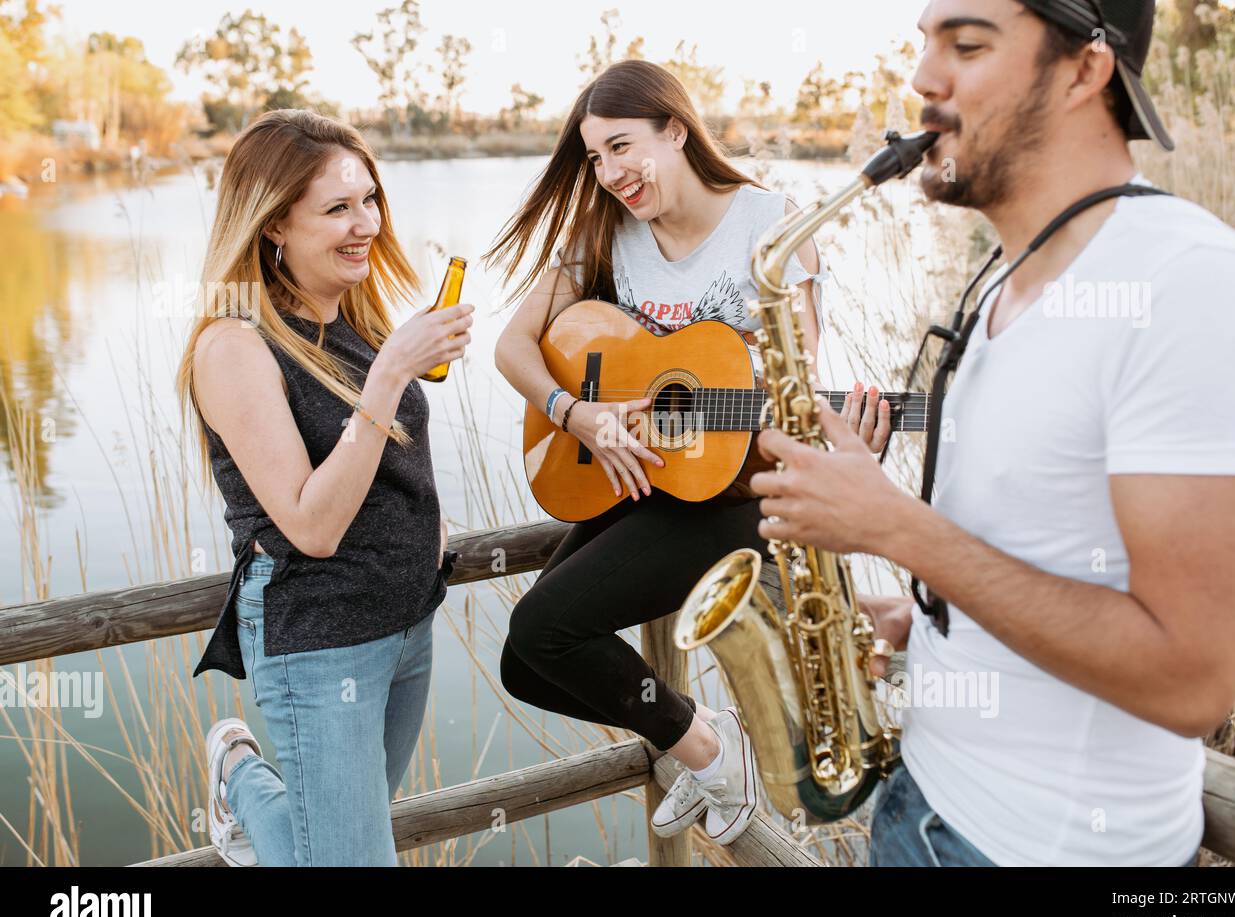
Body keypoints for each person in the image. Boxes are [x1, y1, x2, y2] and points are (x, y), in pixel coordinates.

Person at [752, 0, 1235, 866]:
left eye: (967, 45)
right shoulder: (1007, 279)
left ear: (1087, 69)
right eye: (924, 44)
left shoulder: (1193, 288)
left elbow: (1190, 678)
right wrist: (927, 620)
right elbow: (1041, 550)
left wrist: (893, 525)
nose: (923, 80)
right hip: (928, 807)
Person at [487, 59, 892, 846]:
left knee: (542, 632)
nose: (608, 173)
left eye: (622, 147)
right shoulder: (605, 234)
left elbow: (792, 386)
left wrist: (848, 438)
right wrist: (578, 416)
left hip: (735, 495)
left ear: (676, 129)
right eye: (595, 157)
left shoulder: (774, 226)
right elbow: (512, 347)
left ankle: (705, 752)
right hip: (642, 480)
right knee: (522, 665)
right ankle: (704, 738)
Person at [177, 109, 473, 865]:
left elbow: (391, 459)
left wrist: (427, 527)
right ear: (273, 223)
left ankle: (244, 780)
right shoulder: (234, 347)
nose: (365, 224)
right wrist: (391, 372)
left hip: (408, 626)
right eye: (337, 208)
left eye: (369, 199)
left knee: (336, 849)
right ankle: (241, 774)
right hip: (320, 643)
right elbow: (311, 524)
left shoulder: (356, 319)